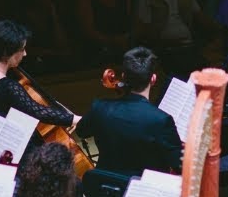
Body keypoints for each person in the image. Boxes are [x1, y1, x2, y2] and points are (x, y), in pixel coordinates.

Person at [0, 19, 81, 158]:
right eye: (21, 49)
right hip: (7, 151)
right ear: (6, 52)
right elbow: (38, 112)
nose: (25, 54)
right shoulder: (9, 87)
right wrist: (74, 119)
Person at [78, 46, 183, 176]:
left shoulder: (100, 107)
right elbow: (179, 166)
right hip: (143, 190)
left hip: (106, 187)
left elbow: (81, 131)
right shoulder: (161, 120)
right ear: (153, 79)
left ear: (123, 76)